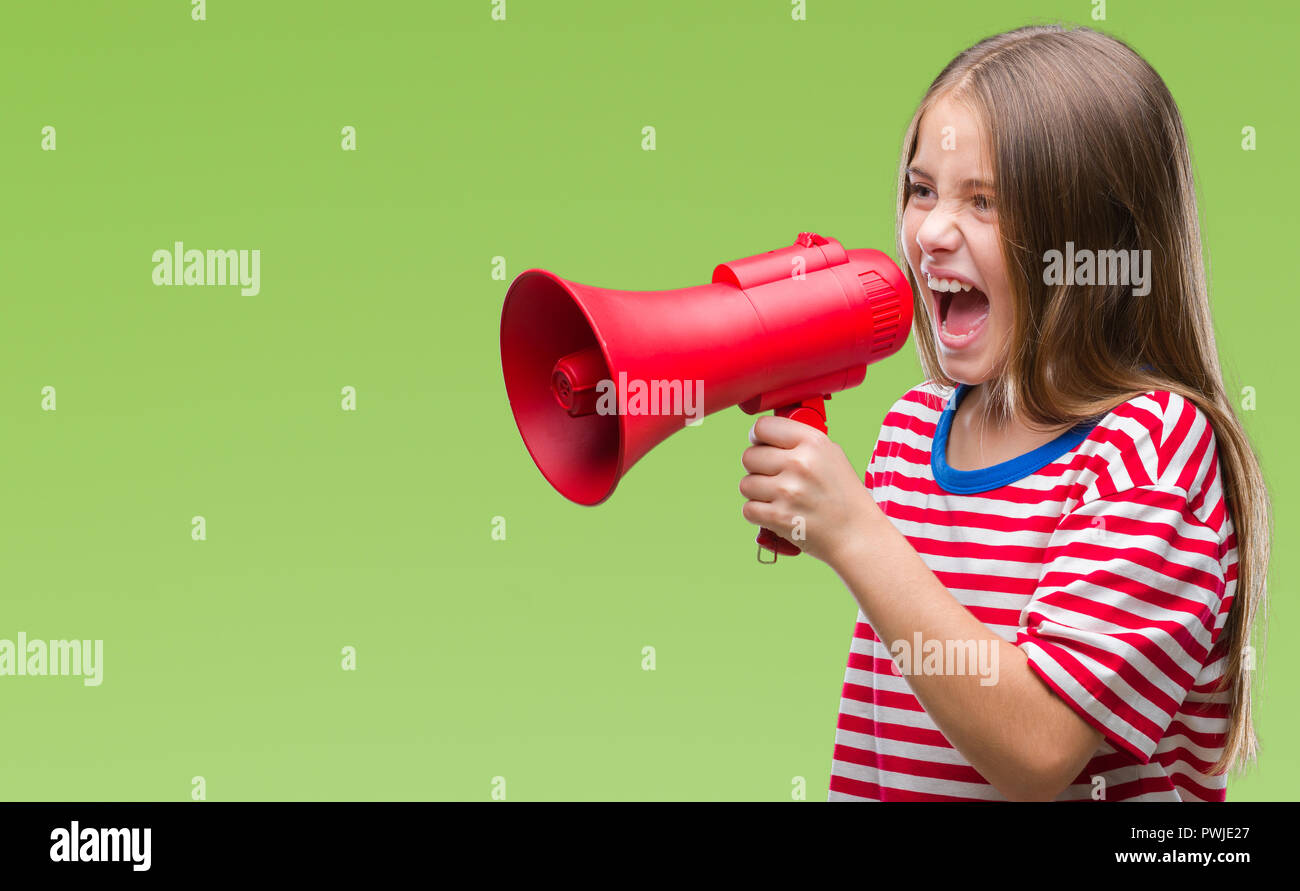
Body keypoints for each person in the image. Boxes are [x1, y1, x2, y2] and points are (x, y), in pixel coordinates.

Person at [739, 23, 1270, 801]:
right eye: (922, 190)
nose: (931, 233)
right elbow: (887, 739)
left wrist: (854, 531)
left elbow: (1040, 745)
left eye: (984, 201)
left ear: (1097, 243)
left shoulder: (1150, 451)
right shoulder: (913, 430)